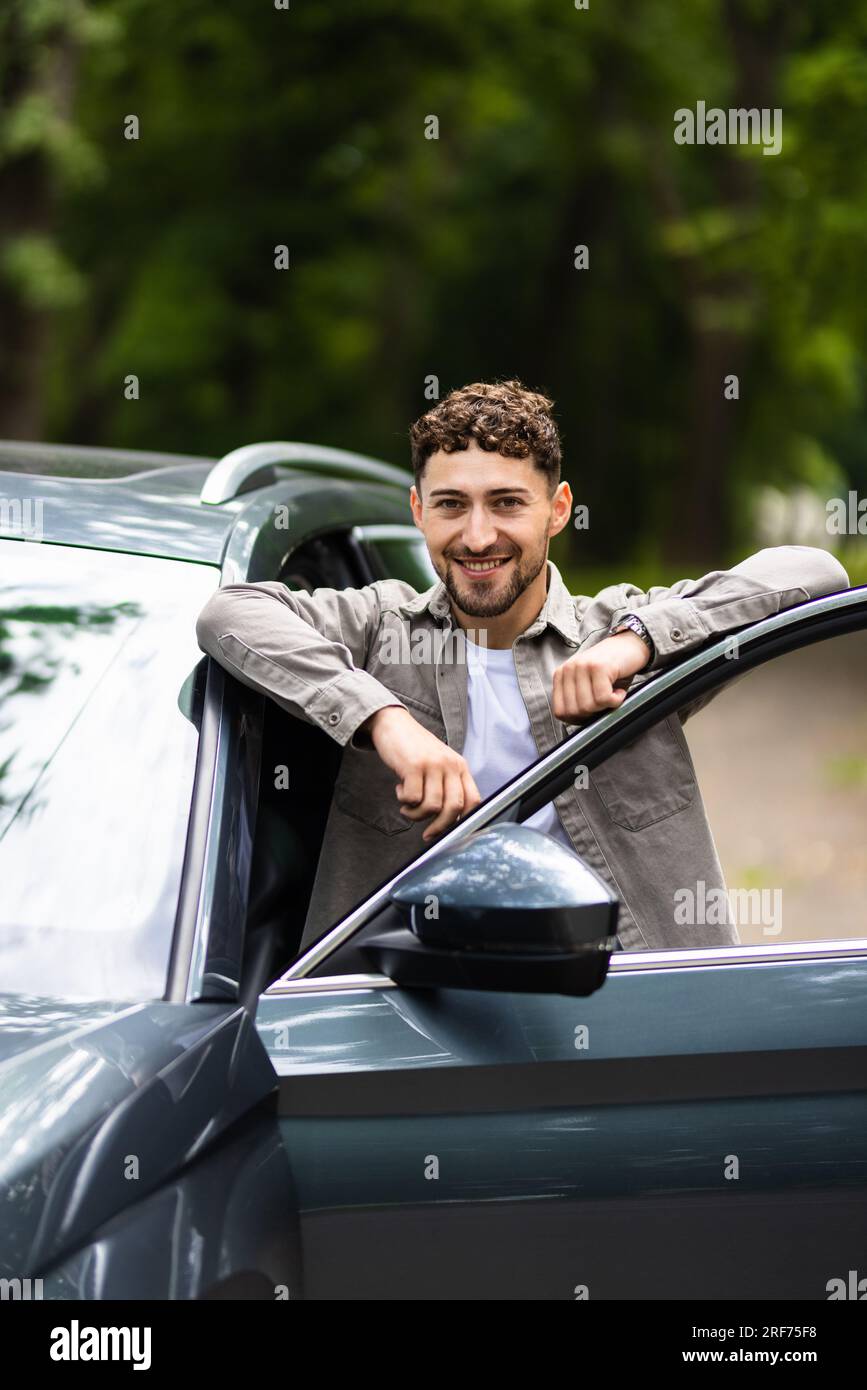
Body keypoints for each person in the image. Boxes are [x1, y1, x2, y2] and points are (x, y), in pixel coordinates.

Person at [196, 379, 848, 954]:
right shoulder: (378, 627)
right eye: (451, 505)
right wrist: (383, 720)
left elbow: (814, 573)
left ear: (557, 509)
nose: (478, 537)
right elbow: (230, 614)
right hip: (395, 1030)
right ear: (419, 512)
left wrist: (637, 642)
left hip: (640, 1016)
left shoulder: (616, 631)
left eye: (507, 503)